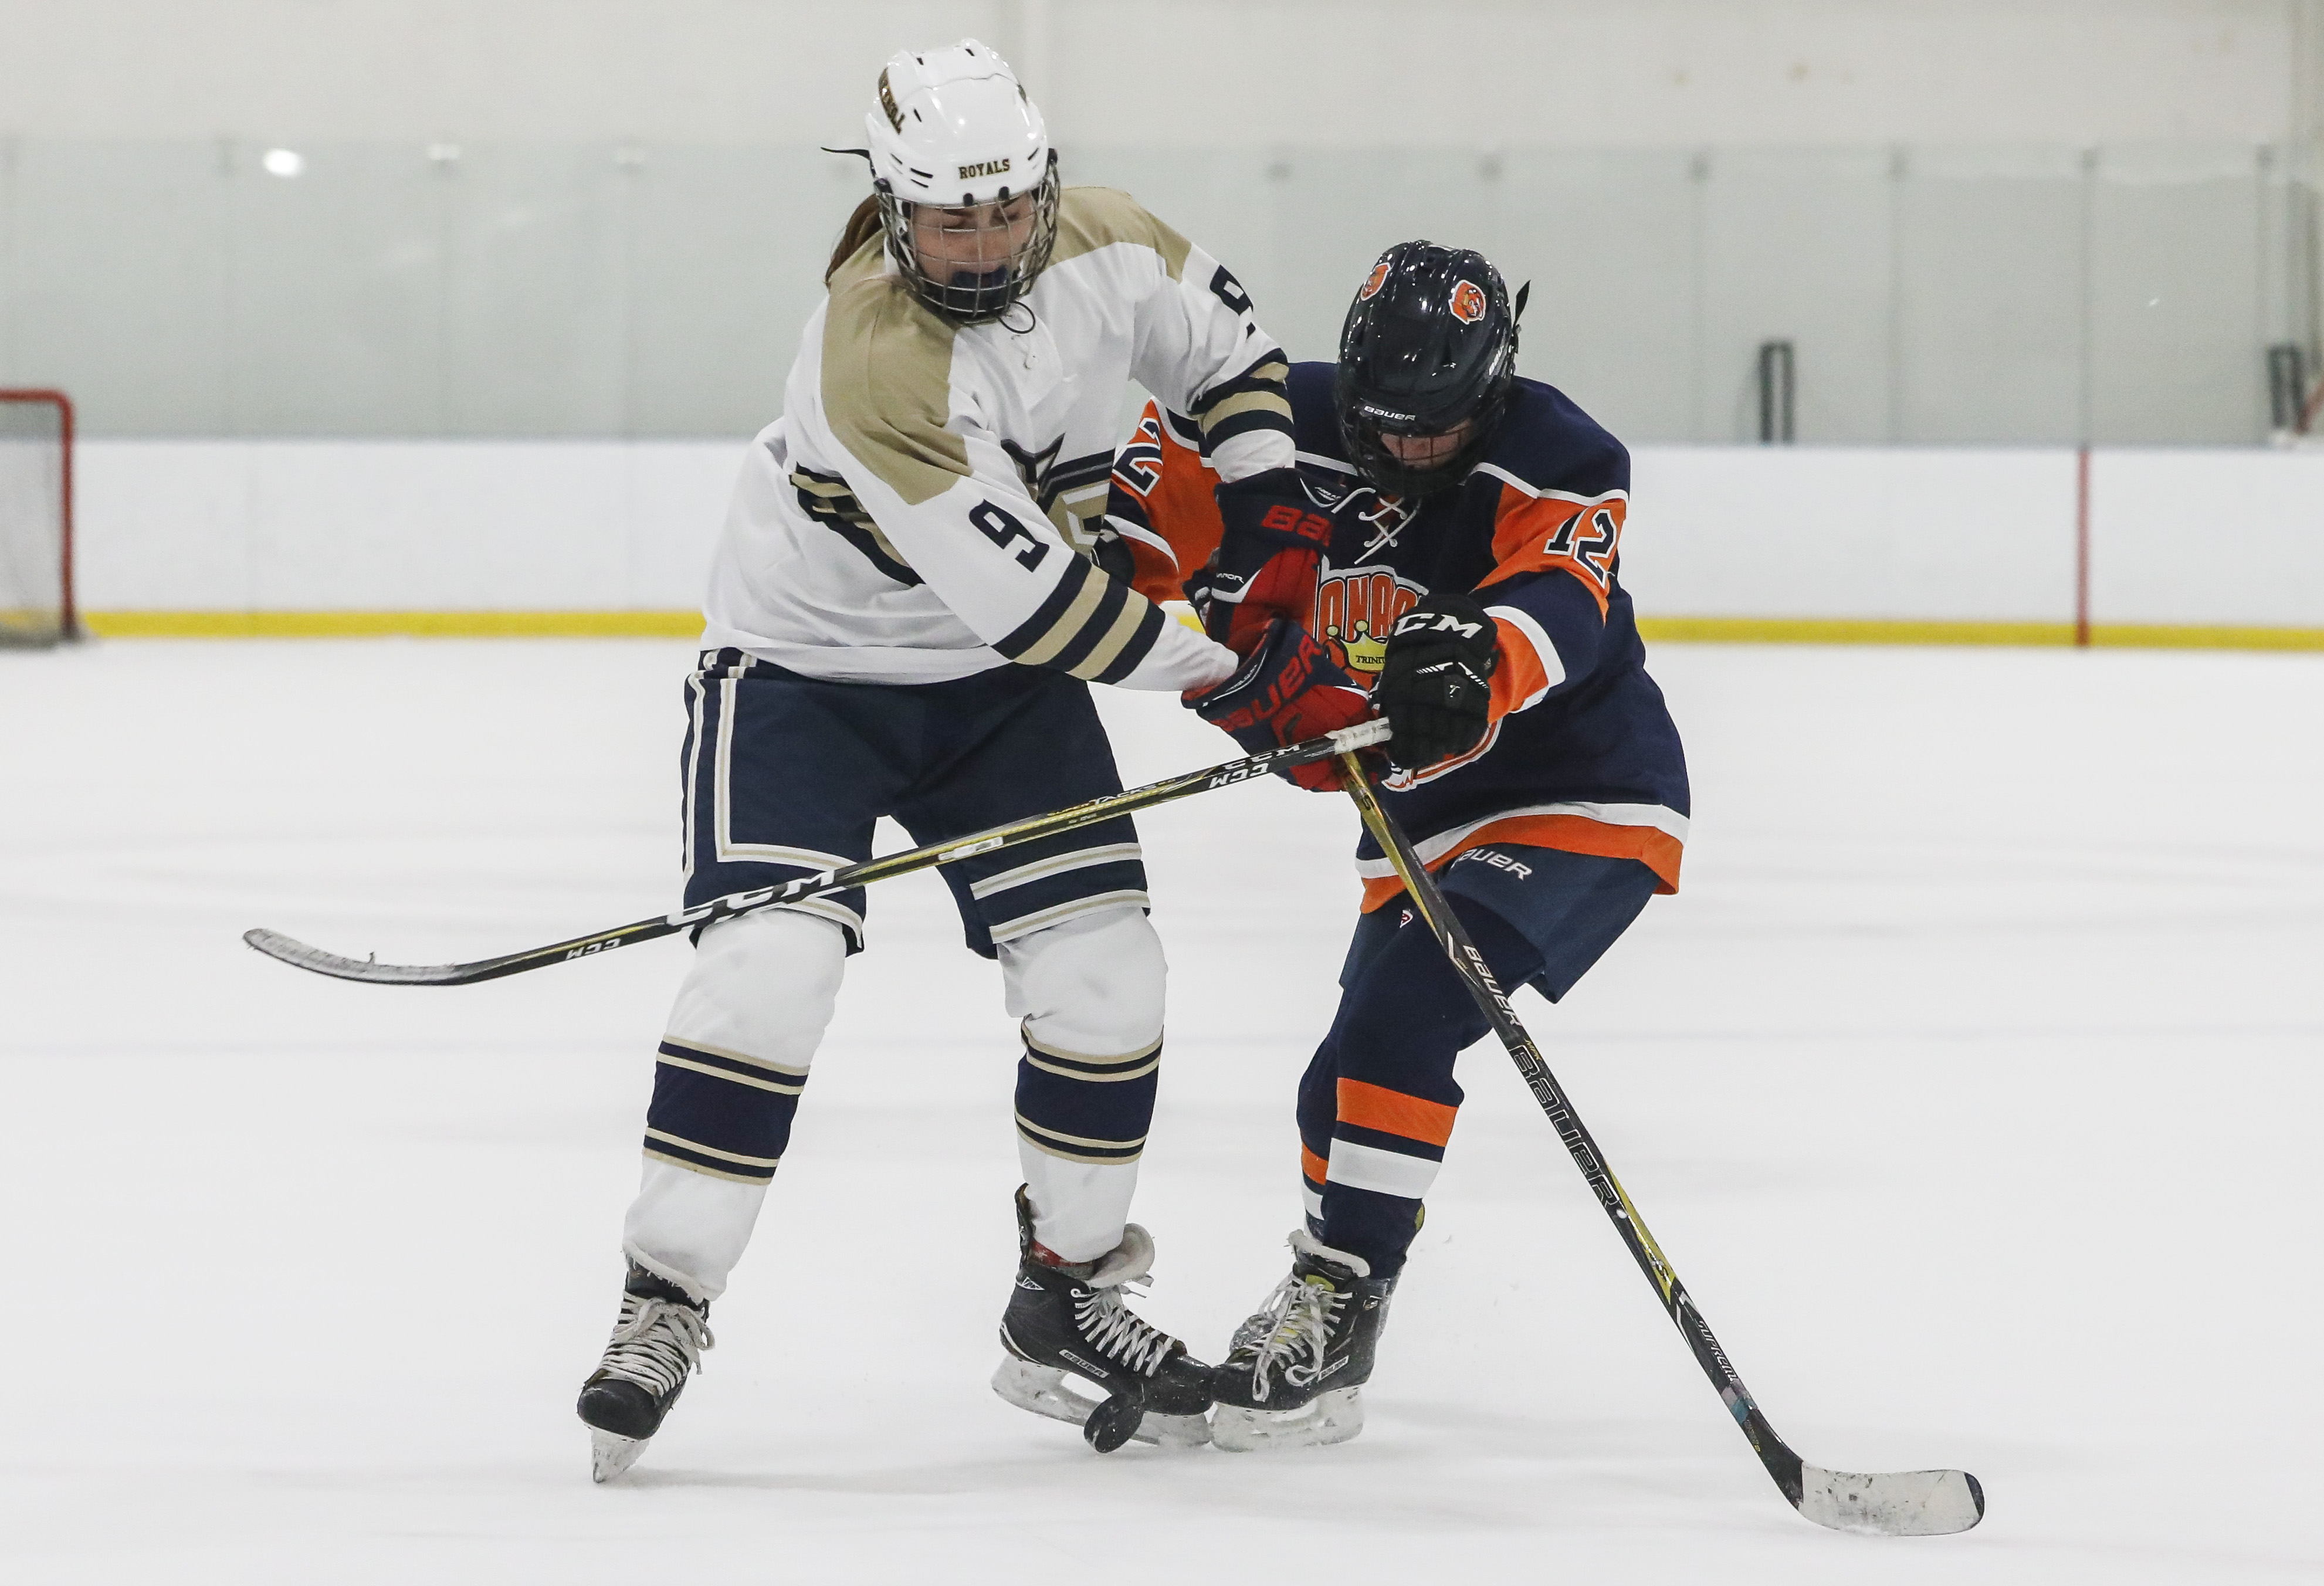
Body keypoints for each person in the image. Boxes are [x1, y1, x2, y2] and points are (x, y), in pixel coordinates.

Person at [575, 38, 1316, 1477]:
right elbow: (1047, 606)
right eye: (943, 218)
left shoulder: (1118, 243)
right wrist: (1239, 670)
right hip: (809, 676)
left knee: (1109, 973)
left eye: (1000, 211)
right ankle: (663, 1299)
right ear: (892, 205)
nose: (977, 247)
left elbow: (1234, 359)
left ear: (1041, 187)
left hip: (994, 695)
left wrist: (1276, 522)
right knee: (770, 970)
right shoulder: (876, 360)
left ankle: (1070, 1295)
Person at [1107, 240, 1691, 1449]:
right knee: (1347, 1072)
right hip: (1419, 811)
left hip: (1581, 789)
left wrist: (1485, 655)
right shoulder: (1272, 419)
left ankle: (1339, 1297)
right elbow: (1125, 529)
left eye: (1443, 425)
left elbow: (1563, 602)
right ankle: (1328, 1302)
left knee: (1404, 1016)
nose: (1412, 447)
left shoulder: (1561, 450)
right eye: (1386, 423)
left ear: (1494, 386)